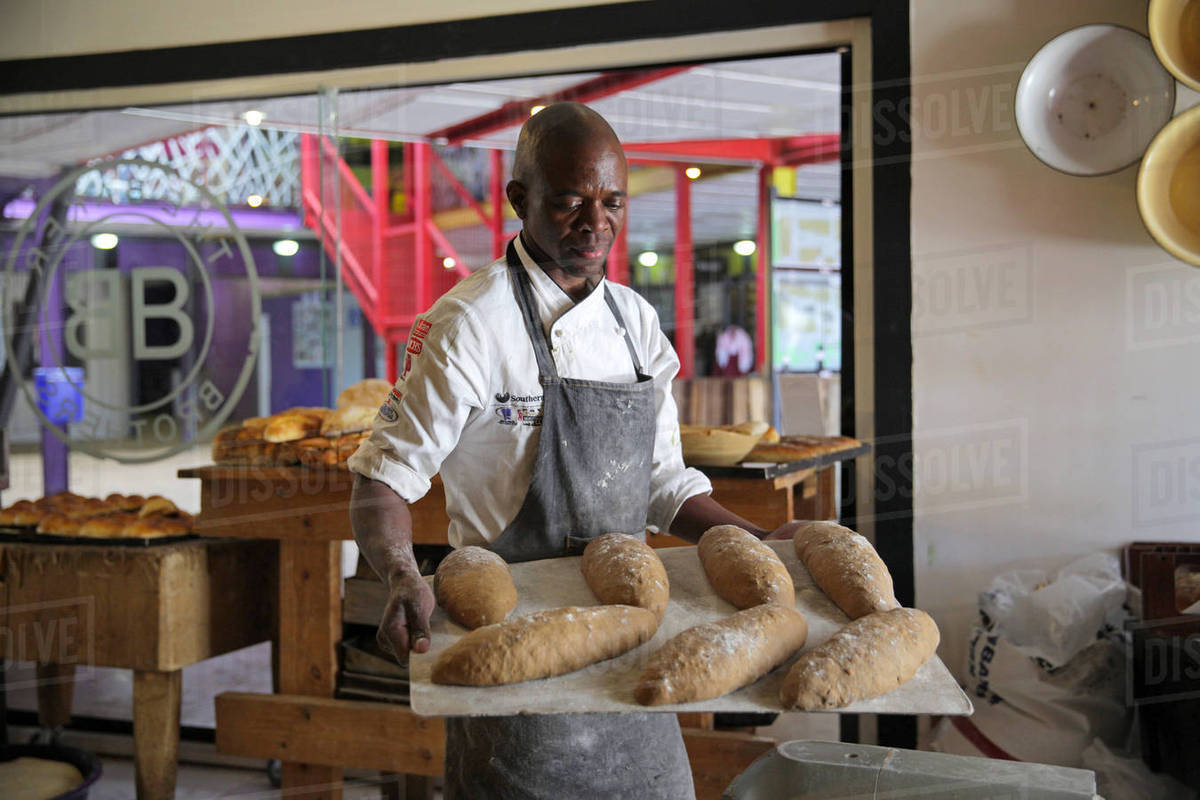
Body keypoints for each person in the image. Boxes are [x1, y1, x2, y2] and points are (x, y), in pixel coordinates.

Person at [348, 102, 802, 799]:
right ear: (519, 199)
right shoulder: (469, 325)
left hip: (631, 635)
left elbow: (664, 486)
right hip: (511, 642)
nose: (595, 222)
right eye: (569, 202)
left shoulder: (634, 322)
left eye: (611, 200)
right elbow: (383, 479)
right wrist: (400, 573)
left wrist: (763, 542)